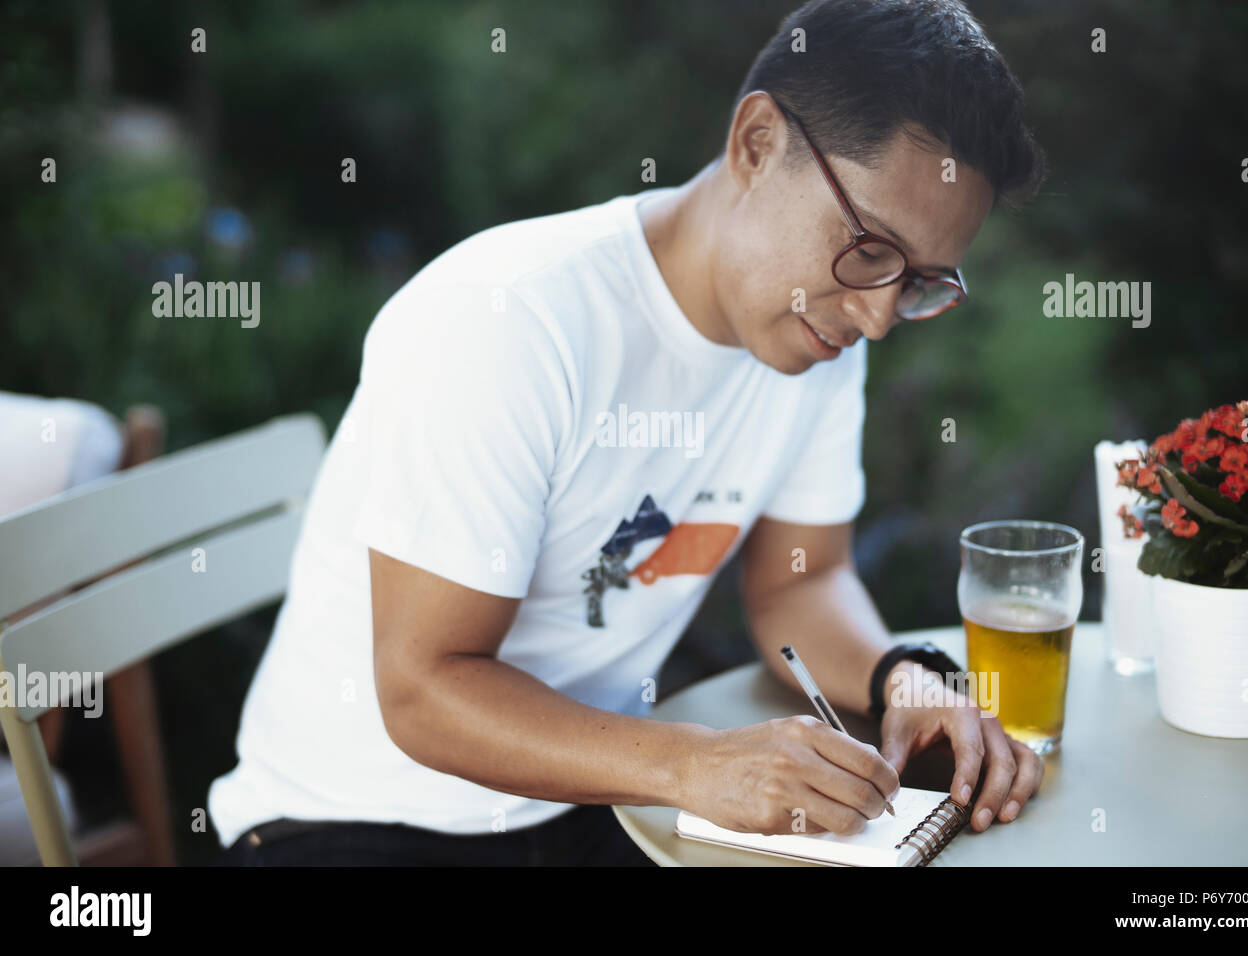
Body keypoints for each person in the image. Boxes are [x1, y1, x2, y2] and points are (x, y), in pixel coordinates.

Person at [210, 0, 1047, 866]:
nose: (878, 318)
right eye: (868, 246)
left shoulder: (821, 334)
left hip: (594, 802)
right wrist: (698, 763)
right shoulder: (507, 322)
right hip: (354, 822)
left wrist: (899, 676)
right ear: (757, 143)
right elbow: (423, 689)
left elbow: (801, 582)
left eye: (919, 283)